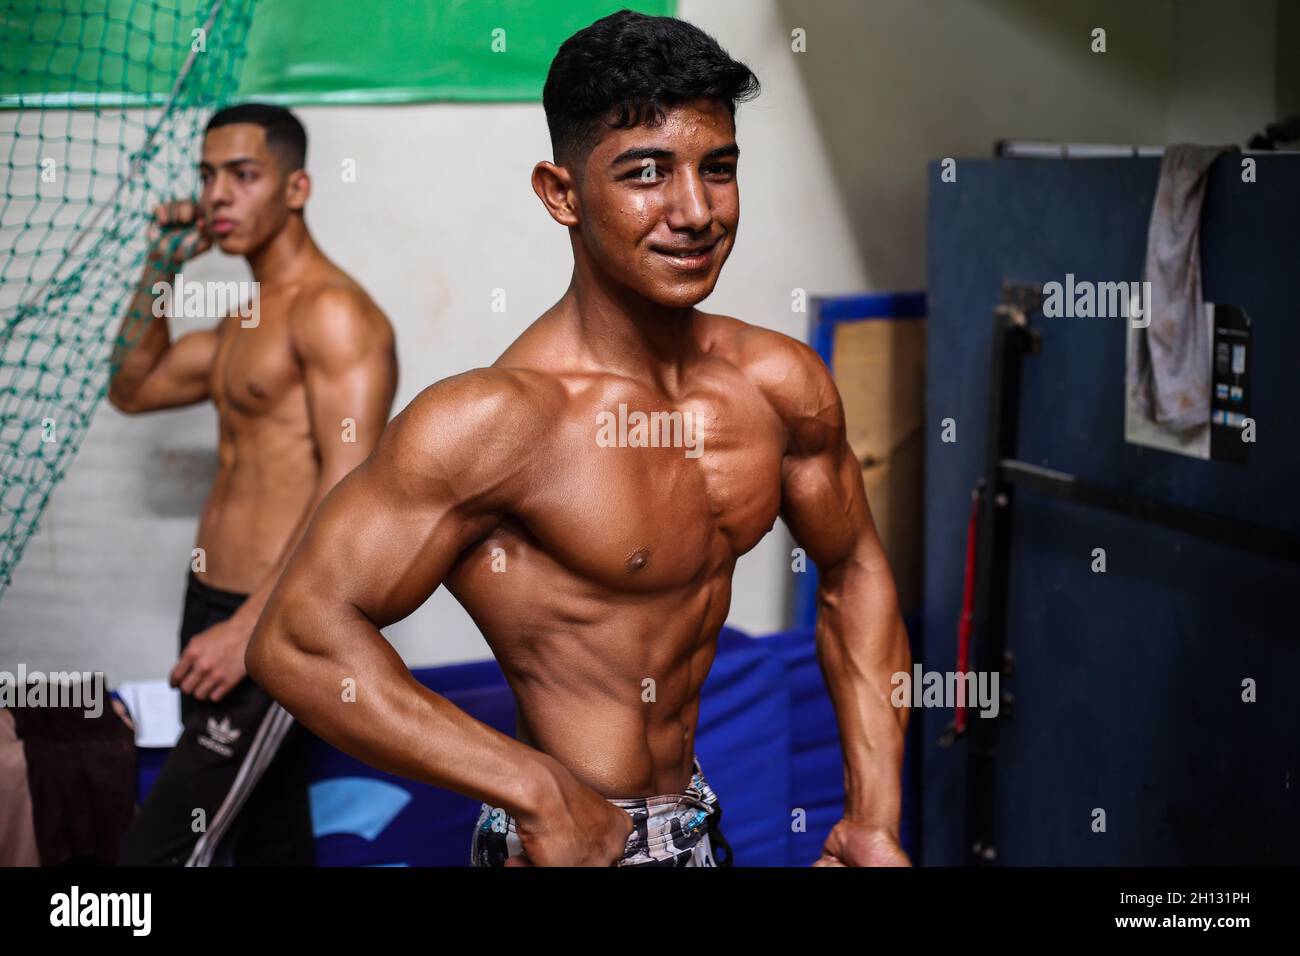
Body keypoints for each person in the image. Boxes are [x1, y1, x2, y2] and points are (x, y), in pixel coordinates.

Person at [247, 11, 910, 868]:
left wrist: (873, 818)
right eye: (646, 173)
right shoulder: (497, 423)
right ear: (561, 193)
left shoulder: (779, 387)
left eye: (718, 169)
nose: (695, 211)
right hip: (559, 847)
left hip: (699, 823)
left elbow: (854, 570)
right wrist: (535, 789)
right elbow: (297, 639)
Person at [109, 103, 398, 866]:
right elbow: (132, 387)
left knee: (158, 855)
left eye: (243, 175)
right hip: (212, 607)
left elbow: (351, 486)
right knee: (265, 839)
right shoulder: (244, 319)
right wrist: (162, 265)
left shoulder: (335, 313)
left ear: (296, 187)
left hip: (271, 622)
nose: (218, 196)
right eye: (208, 177)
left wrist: (249, 634)